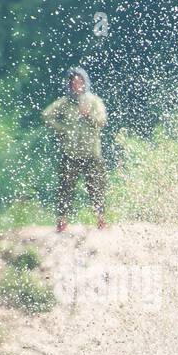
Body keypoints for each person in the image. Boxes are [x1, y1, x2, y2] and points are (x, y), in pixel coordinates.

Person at [43, 66, 108, 232]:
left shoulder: (93, 101)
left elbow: (101, 121)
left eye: (80, 82)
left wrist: (88, 116)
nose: (77, 85)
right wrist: (62, 129)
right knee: (65, 188)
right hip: (70, 153)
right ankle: (62, 221)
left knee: (96, 187)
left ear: (85, 83)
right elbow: (46, 116)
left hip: (91, 153)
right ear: (69, 85)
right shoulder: (64, 103)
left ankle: (101, 219)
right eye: (73, 83)